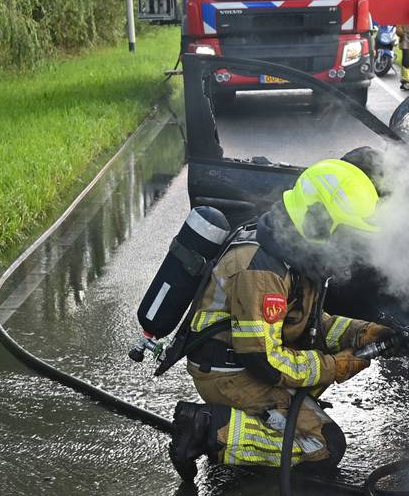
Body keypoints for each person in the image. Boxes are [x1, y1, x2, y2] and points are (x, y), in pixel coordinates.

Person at [168, 155, 395, 482]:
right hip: (230, 374)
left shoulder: (291, 253)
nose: (348, 249)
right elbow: (265, 361)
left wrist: (361, 333)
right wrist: (334, 366)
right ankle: (208, 429)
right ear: (318, 222)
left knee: (312, 382)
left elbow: (310, 324)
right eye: (345, 235)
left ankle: (259, 417)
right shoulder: (262, 271)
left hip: (247, 364)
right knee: (325, 446)